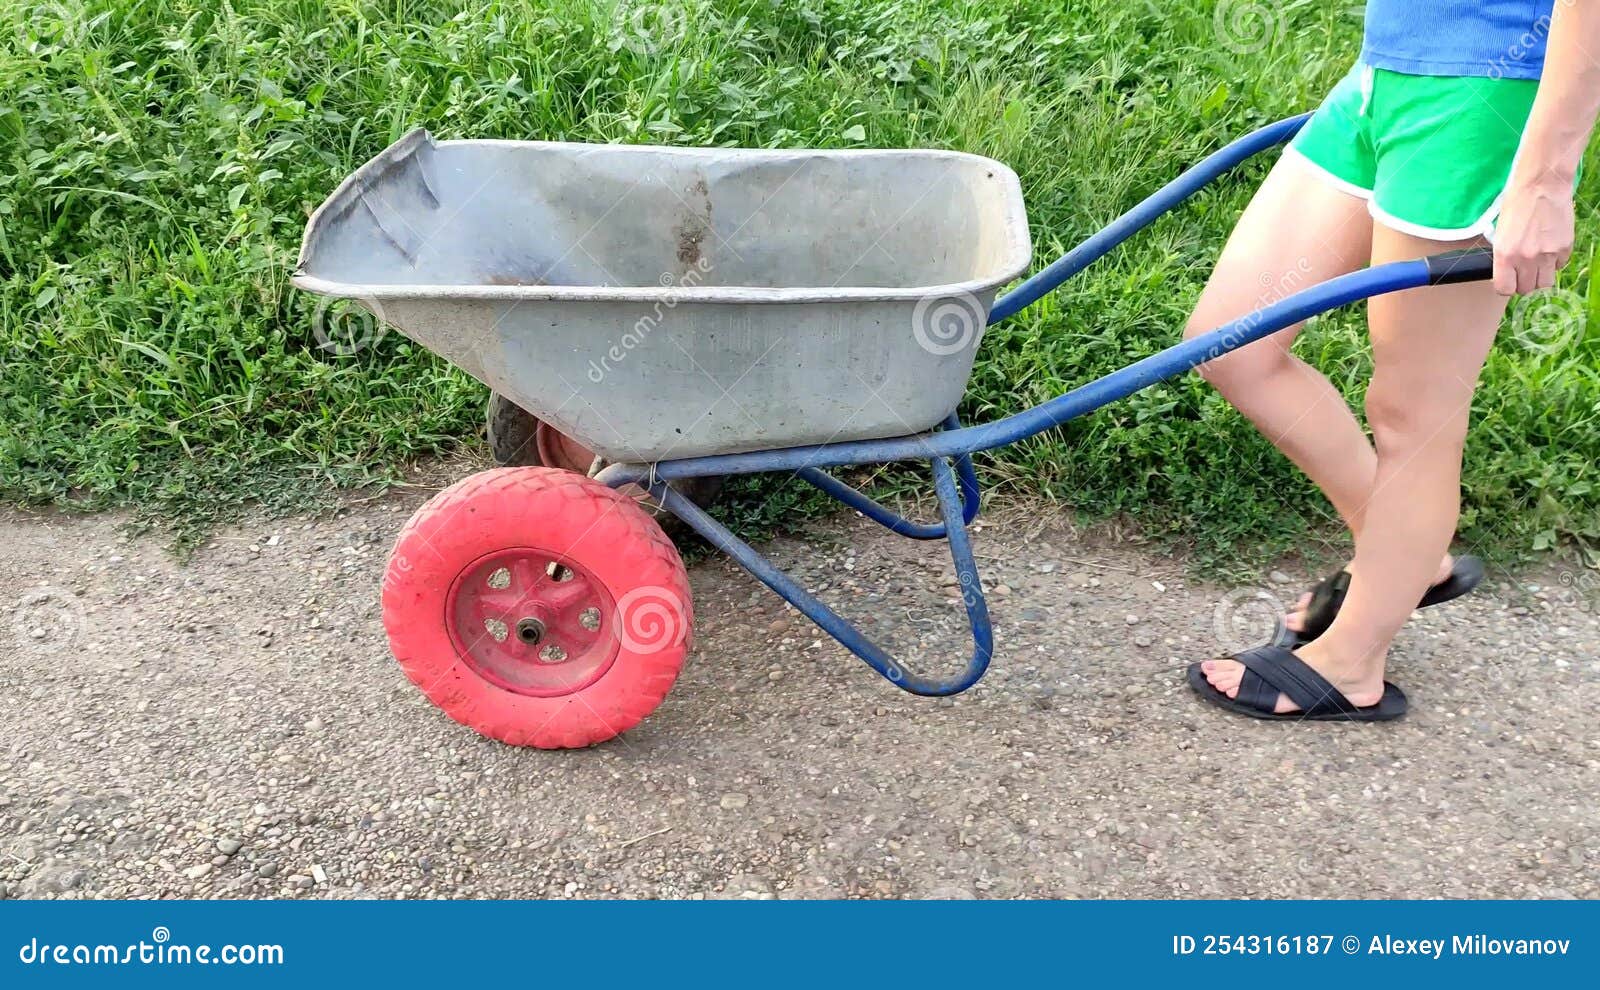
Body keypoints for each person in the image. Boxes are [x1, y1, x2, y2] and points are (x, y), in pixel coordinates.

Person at [1187, 0, 1598, 720]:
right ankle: (1405, 560)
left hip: (1484, 96)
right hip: (1391, 65)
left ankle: (1351, 665)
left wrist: (1544, 178)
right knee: (1233, 343)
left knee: (1414, 413)